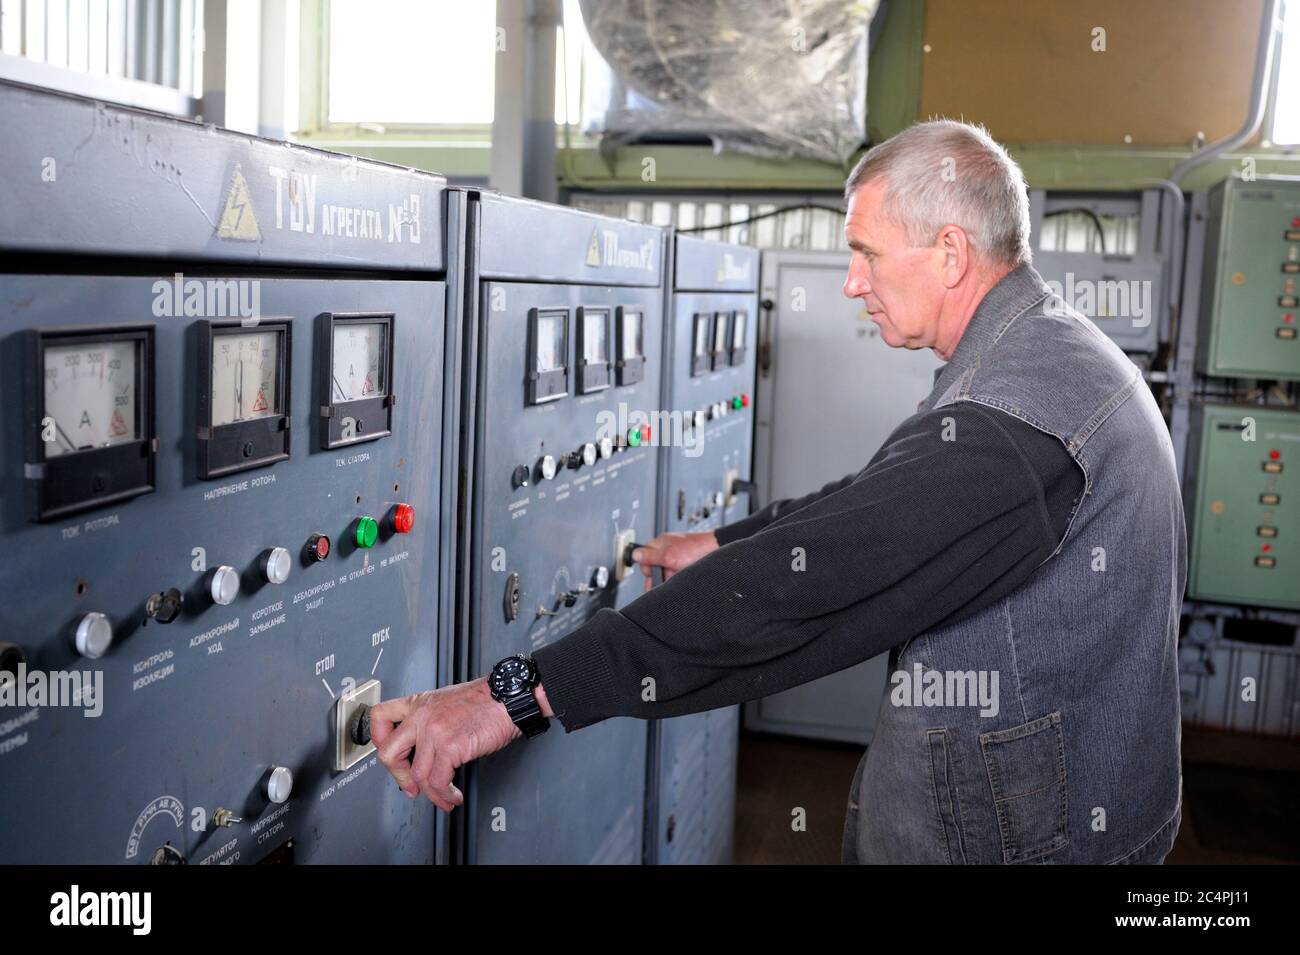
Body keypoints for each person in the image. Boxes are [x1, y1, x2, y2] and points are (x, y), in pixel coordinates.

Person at [370, 119, 1186, 865]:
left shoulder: (1015, 418)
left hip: (1033, 839)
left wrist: (515, 694)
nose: (850, 283)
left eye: (866, 252)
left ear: (949, 251)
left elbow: (812, 582)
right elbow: (875, 501)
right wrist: (722, 544)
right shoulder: (1037, 351)